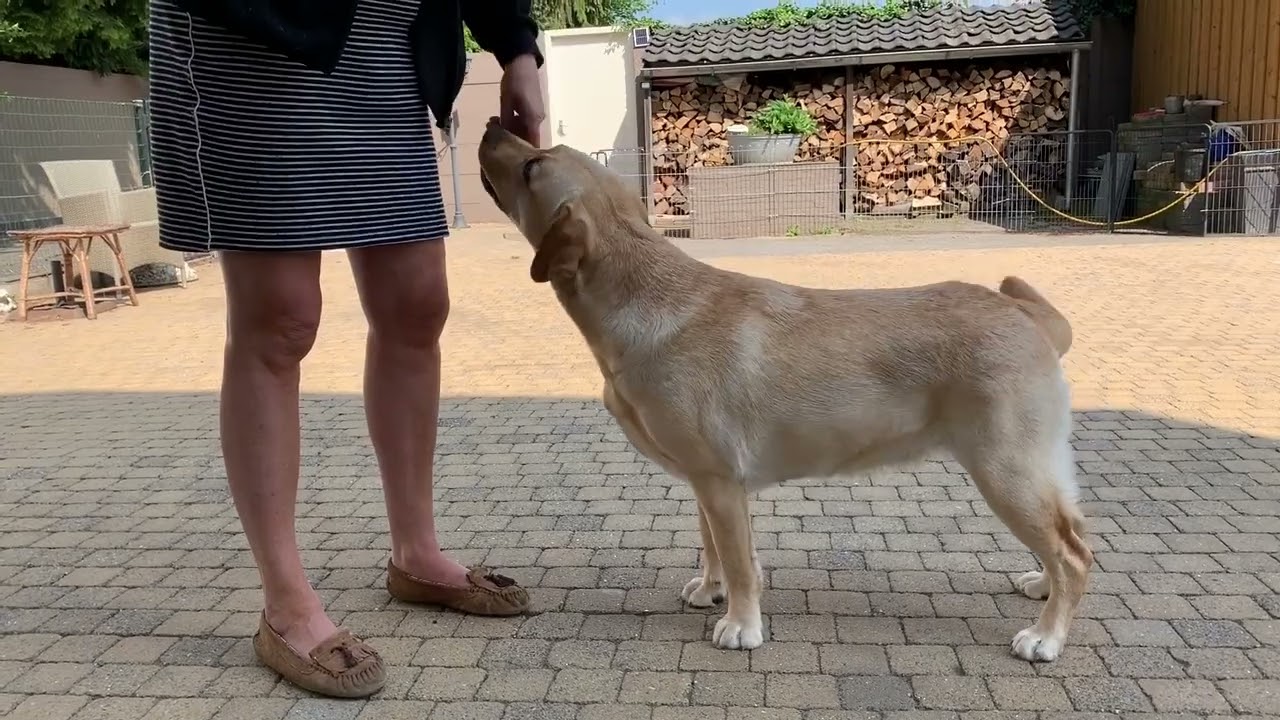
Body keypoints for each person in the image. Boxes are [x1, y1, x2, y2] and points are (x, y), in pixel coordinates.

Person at [148, 0, 545, 698]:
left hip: (389, 48)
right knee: (281, 319)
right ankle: (286, 602)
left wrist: (516, 46)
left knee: (417, 304)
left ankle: (415, 553)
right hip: (255, 42)